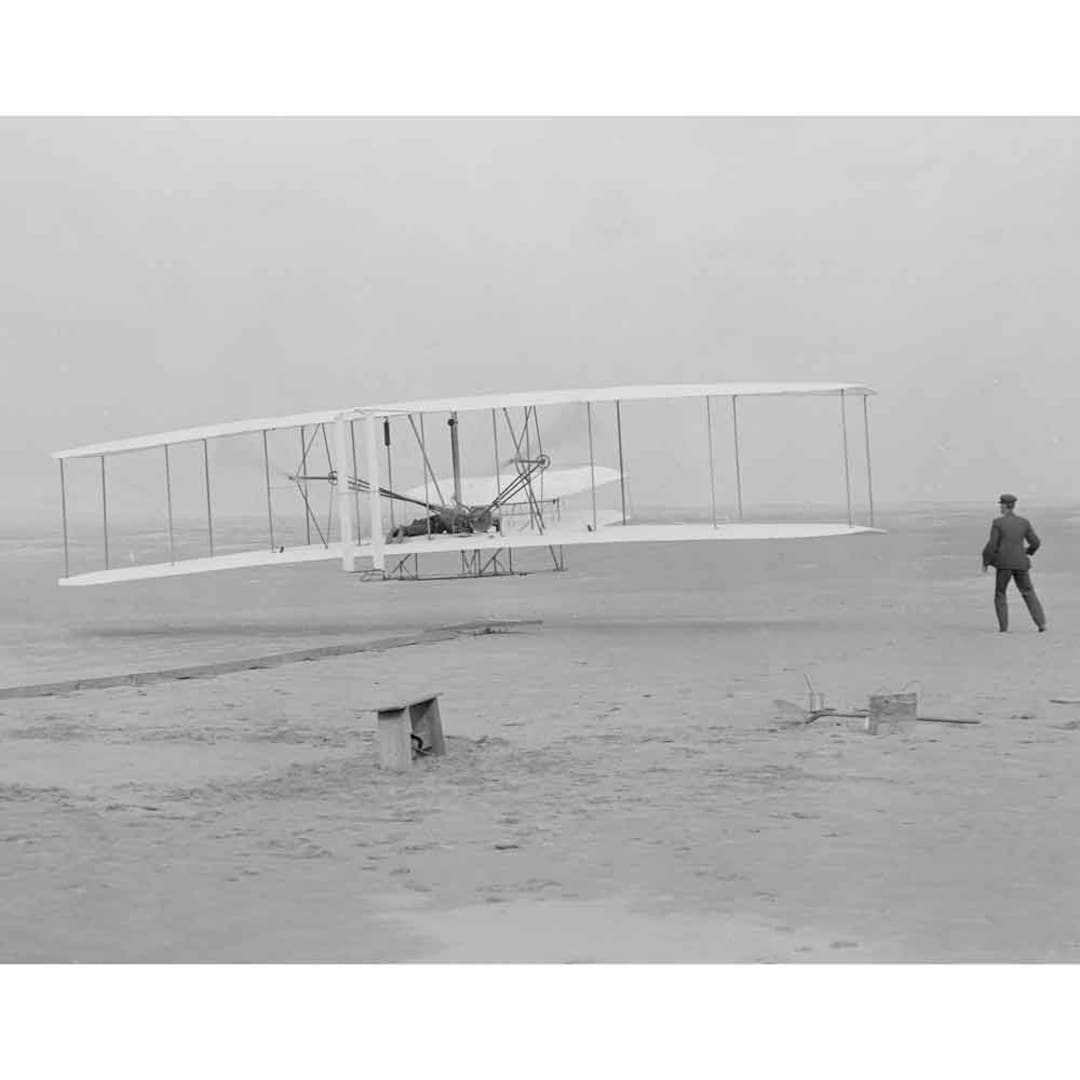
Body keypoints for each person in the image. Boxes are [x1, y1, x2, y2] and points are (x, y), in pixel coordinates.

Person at [981, 493, 1046, 632]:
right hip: (1021, 563)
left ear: (1004, 506)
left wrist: (986, 560)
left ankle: (1004, 628)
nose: (1000, 507)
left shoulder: (998, 522)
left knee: (1000, 593)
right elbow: (1036, 542)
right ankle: (1041, 624)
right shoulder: (1024, 522)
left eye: (1001, 505)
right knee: (1028, 592)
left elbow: (992, 544)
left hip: (1004, 564)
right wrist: (1027, 551)